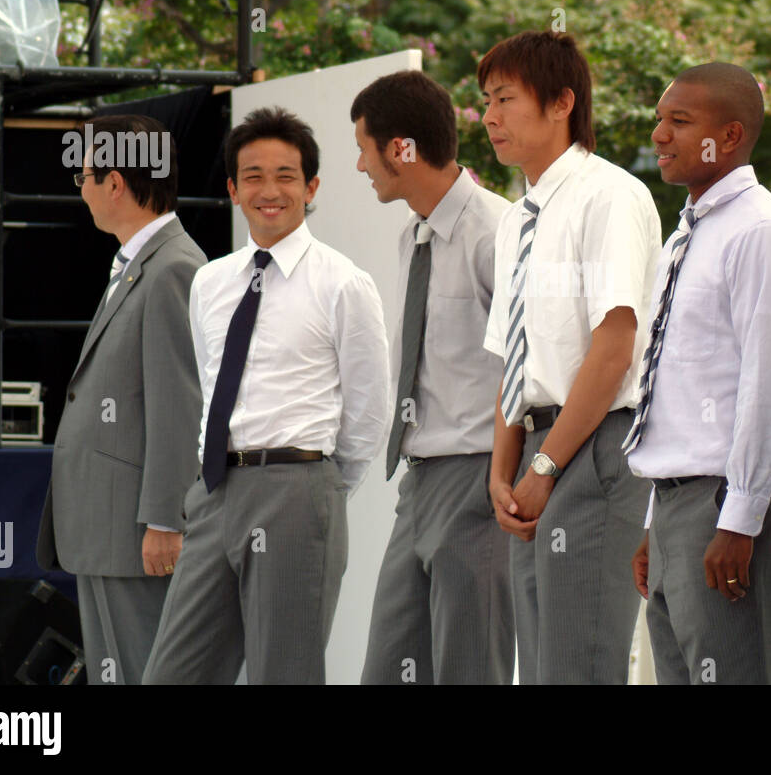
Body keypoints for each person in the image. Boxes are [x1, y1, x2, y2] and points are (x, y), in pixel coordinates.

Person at [142, 107, 390, 684]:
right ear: (232, 189)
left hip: (297, 492)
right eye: (252, 176)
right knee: (173, 674)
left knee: (285, 673)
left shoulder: (342, 283)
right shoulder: (211, 281)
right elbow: (210, 390)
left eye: (285, 175)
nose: (269, 190)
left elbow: (370, 411)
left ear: (311, 187)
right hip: (214, 493)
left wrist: (317, 485)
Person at [479, 30, 662, 684]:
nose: (489, 117)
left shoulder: (608, 195)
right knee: (546, 667)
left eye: (504, 98)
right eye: (485, 101)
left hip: (595, 446)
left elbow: (613, 349)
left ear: (561, 102)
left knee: (579, 664)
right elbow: (512, 359)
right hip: (538, 451)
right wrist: (502, 476)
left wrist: (546, 464)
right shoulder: (516, 218)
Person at [625, 63, 771, 684]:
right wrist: (658, 520)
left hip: (726, 502)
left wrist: (739, 519)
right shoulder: (688, 232)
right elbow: (676, 390)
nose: (659, 134)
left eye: (680, 121)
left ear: (729, 137)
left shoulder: (760, 231)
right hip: (682, 503)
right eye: (660, 119)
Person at [352, 70, 514, 684]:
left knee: (471, 670)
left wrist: (505, 475)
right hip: (418, 483)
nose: (359, 164)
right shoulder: (411, 236)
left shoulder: (497, 233)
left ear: (401, 149)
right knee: (387, 671)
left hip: (477, 476)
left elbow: (527, 371)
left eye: (365, 146)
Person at [37, 113, 206, 685]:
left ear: (114, 181)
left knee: (144, 671)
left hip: (135, 534)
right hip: (110, 531)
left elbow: (178, 405)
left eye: (83, 175)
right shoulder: (142, 265)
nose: (80, 189)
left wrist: (164, 517)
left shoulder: (171, 270)